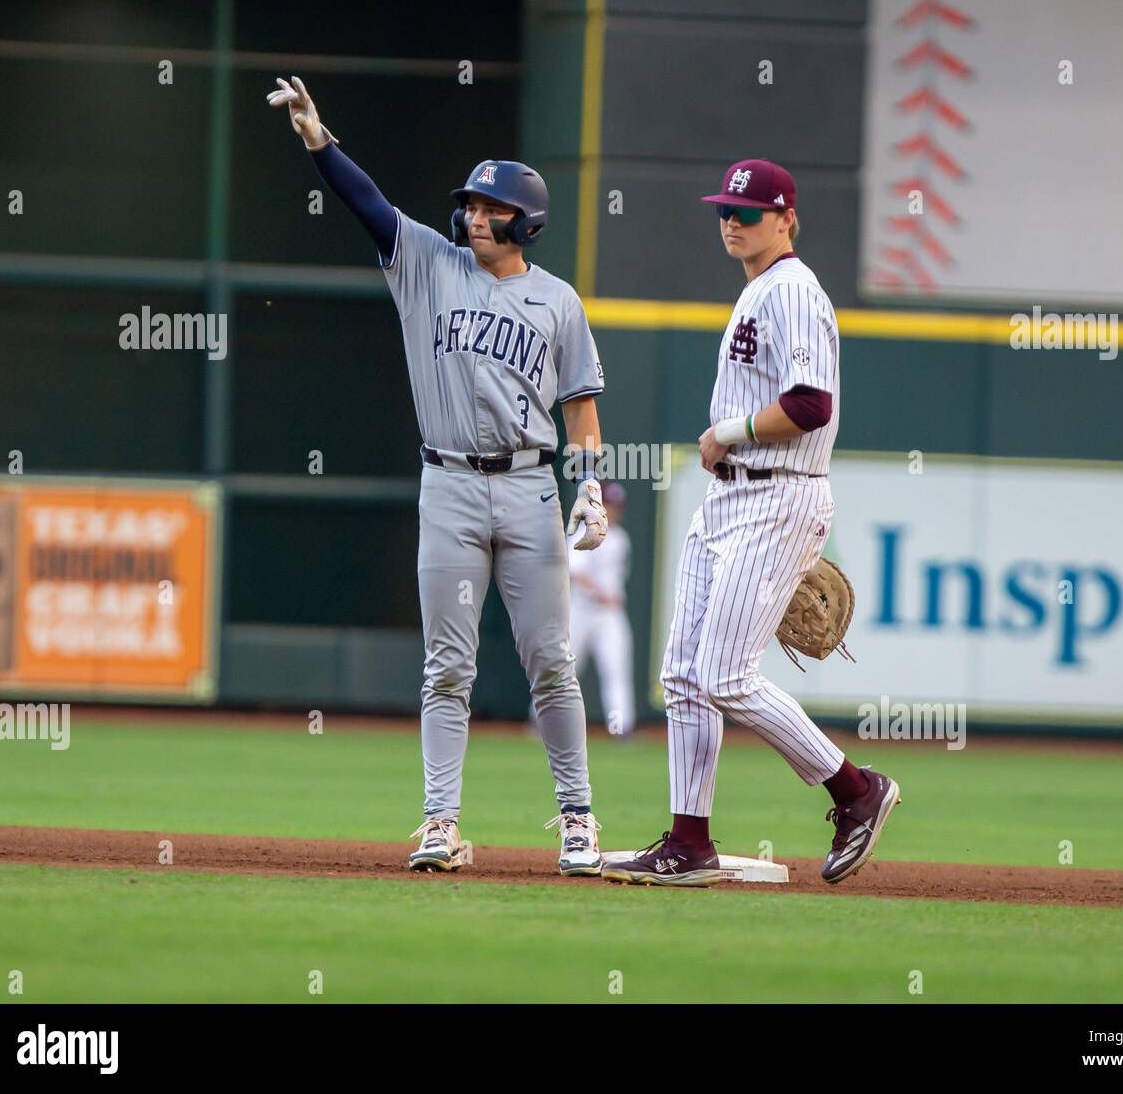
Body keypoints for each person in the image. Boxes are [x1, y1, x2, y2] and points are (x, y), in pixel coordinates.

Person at [267, 76, 608, 876]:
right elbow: (370, 205)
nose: (476, 216)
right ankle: (439, 823)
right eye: (472, 205)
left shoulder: (558, 303)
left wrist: (588, 486)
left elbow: (581, 410)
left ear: (526, 221)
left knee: (551, 661)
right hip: (449, 485)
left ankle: (578, 820)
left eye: (491, 208)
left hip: (530, 489)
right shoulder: (428, 261)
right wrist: (322, 140)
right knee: (447, 665)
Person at [602, 159, 901, 888]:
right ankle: (688, 842)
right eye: (724, 211)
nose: (731, 222)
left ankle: (856, 790)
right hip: (731, 500)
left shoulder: (794, 290)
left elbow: (810, 405)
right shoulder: (759, 290)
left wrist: (726, 431)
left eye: (748, 211)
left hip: (778, 492)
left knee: (727, 676)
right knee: (683, 675)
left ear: (786, 218)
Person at [567, 481, 635, 737]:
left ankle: (621, 728)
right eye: (610, 504)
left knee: (616, 669)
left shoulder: (620, 539)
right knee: (564, 669)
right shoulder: (583, 530)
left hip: (609, 615)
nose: (614, 510)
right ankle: (542, 722)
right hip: (581, 611)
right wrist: (601, 594)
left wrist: (609, 598)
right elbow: (576, 573)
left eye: (617, 506)